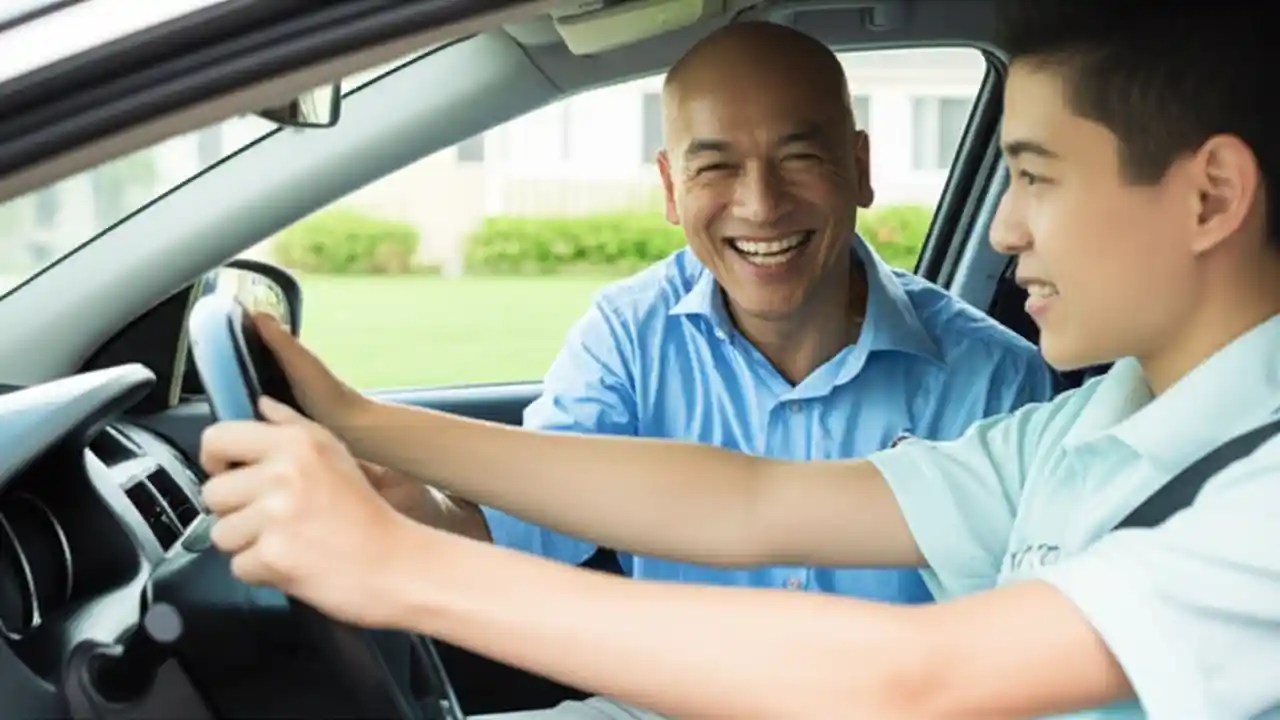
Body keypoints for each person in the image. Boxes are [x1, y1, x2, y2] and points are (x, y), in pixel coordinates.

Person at [198, 0, 1280, 717]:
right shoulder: (1094, 424)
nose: (1002, 233)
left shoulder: (1259, 499)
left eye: (1035, 177)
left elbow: (915, 681)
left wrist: (400, 571)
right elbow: (750, 501)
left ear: (1208, 197)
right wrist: (360, 419)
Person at [369, 20, 1055, 607]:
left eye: (800, 157)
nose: (760, 204)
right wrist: (409, 509)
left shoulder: (996, 379)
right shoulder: (627, 337)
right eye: (716, 168)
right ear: (671, 187)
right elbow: (529, 526)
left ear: (859, 165)